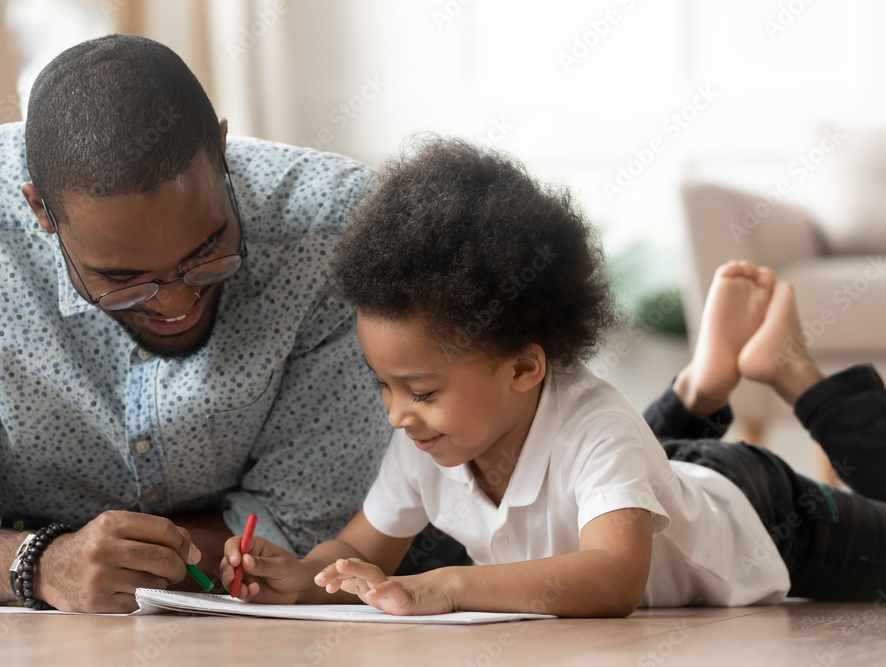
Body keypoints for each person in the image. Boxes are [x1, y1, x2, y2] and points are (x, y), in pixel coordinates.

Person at [219, 137, 886, 616]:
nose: (397, 413)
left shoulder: (595, 424)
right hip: (659, 475)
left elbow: (612, 576)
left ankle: (793, 371)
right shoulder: (426, 440)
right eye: (383, 386)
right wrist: (306, 575)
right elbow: (362, 545)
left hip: (759, 510)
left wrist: (446, 586)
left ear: (524, 365)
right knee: (632, 462)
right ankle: (701, 387)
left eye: (420, 390)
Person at [0, 35, 392, 613]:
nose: (177, 303)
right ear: (40, 211)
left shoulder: (335, 232)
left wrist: (113, 568)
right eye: (124, 279)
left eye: (207, 252)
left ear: (223, 152)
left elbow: (308, 528)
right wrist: (44, 563)